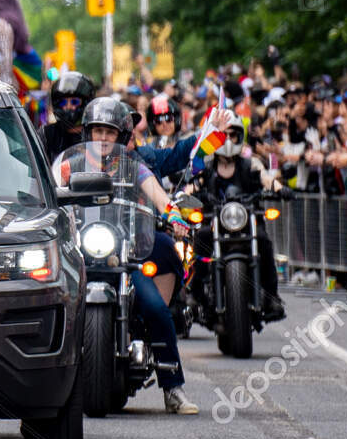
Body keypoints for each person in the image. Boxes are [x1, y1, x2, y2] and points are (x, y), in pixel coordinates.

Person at [54, 97, 199, 415]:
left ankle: (173, 388)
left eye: (109, 132)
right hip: (80, 255)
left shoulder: (133, 166)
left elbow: (155, 191)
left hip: (123, 256)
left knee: (155, 308)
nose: (103, 138)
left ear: (120, 135)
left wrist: (172, 213)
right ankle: (43, 385)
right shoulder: (69, 165)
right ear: (88, 133)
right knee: (50, 304)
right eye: (98, 131)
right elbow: (51, 192)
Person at [186, 129, 287, 321]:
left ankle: (271, 296)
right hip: (216, 223)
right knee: (201, 238)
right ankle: (195, 293)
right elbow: (194, 185)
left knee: (264, 241)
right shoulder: (208, 166)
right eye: (224, 135)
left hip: (247, 223)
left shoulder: (250, 164)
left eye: (232, 135)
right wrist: (186, 193)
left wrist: (281, 189)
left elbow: (266, 179)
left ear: (240, 137)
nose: (228, 140)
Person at [40, 71, 96, 161]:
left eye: (74, 102)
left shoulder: (96, 134)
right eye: (63, 102)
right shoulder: (46, 134)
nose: (68, 106)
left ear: (86, 103)